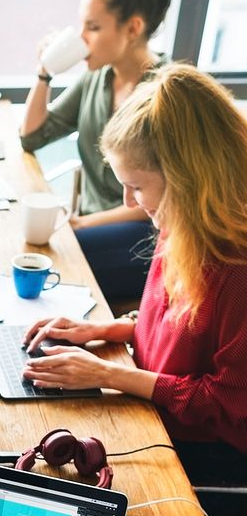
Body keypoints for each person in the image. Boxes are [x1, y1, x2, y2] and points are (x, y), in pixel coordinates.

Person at [22, 63, 247, 483]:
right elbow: (181, 327)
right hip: (153, 406)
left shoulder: (237, 267)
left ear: (188, 179)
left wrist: (110, 375)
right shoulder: (182, 218)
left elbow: (229, 402)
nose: (129, 200)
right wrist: (106, 331)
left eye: (138, 186)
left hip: (204, 449)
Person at [20, 0, 171, 304]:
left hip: (143, 235)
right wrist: (44, 72)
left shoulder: (164, 97)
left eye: (93, 27)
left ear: (132, 28)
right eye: (81, 27)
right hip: (87, 224)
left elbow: (159, 201)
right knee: (36, 250)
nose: (82, 39)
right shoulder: (98, 77)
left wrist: (81, 225)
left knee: (45, 263)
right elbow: (31, 136)